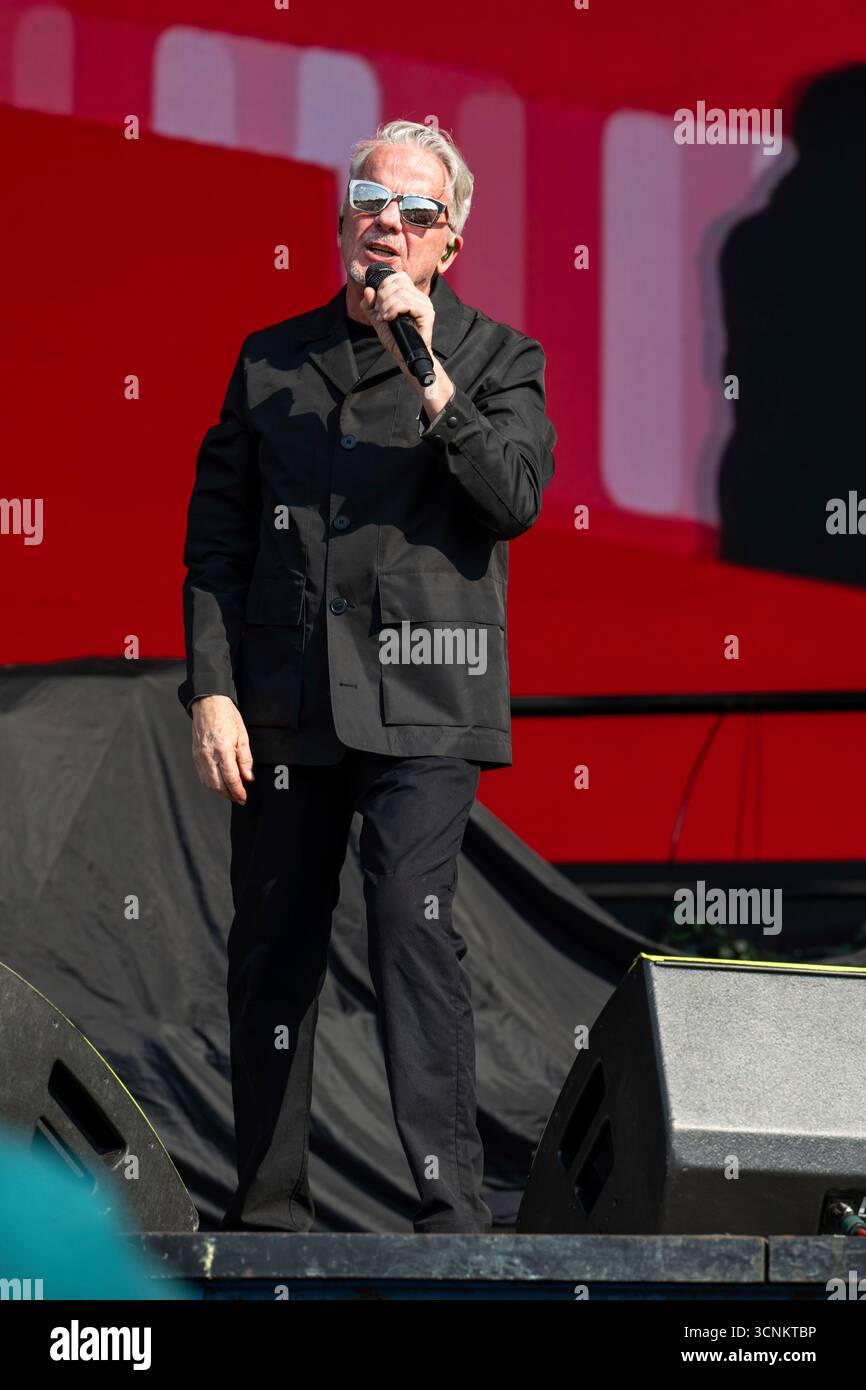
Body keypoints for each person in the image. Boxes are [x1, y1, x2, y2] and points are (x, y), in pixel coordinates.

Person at [179, 119, 557, 1233]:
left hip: (425, 695)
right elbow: (218, 540)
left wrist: (431, 373)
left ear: (451, 241)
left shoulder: (496, 358)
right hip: (288, 698)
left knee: (408, 914)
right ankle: (267, 1211)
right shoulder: (268, 358)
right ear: (341, 218)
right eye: (368, 200)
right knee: (273, 943)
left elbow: (513, 499)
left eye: (416, 211)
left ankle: (448, 1211)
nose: (387, 223)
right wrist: (211, 688)